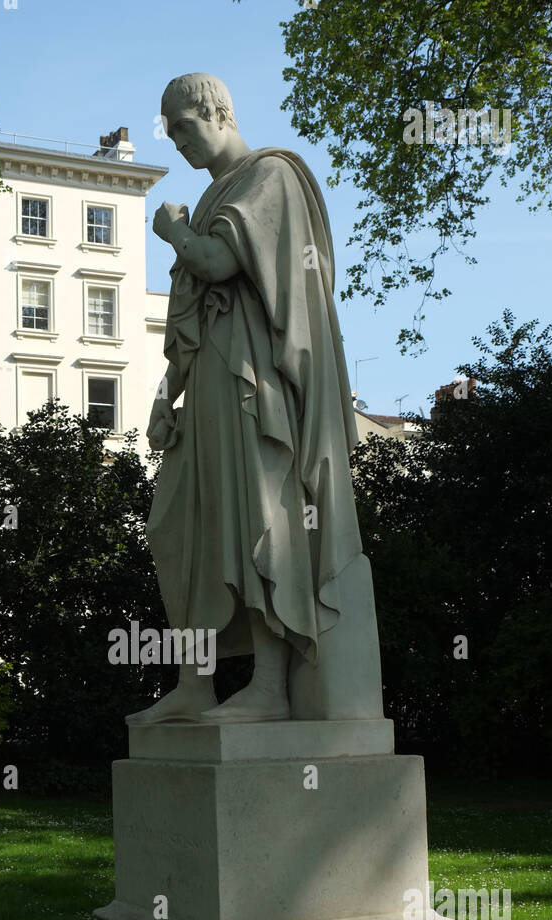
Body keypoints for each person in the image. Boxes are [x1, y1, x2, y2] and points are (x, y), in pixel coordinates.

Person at [131, 72, 384, 726]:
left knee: (258, 522)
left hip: (253, 384)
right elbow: (190, 314)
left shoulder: (271, 177)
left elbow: (217, 265)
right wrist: (169, 393)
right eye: (170, 129)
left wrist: (175, 234)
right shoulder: (215, 195)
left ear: (218, 111)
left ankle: (269, 687)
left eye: (184, 124)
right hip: (208, 384)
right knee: (181, 527)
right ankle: (196, 681)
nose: (178, 139)